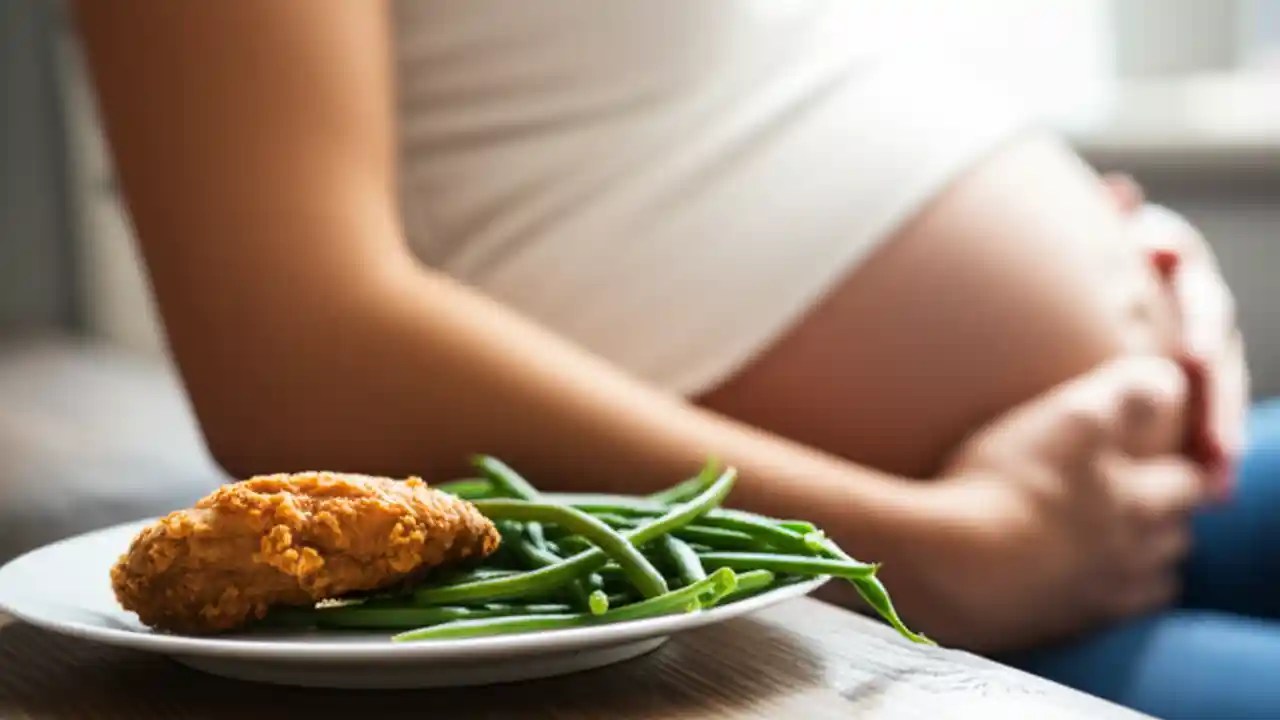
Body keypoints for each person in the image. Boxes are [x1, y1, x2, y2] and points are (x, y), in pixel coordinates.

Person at [75, 3, 1264, 716]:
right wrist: (949, 558)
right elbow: (289, 351)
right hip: (862, 609)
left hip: (1118, 484)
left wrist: (1122, 255)